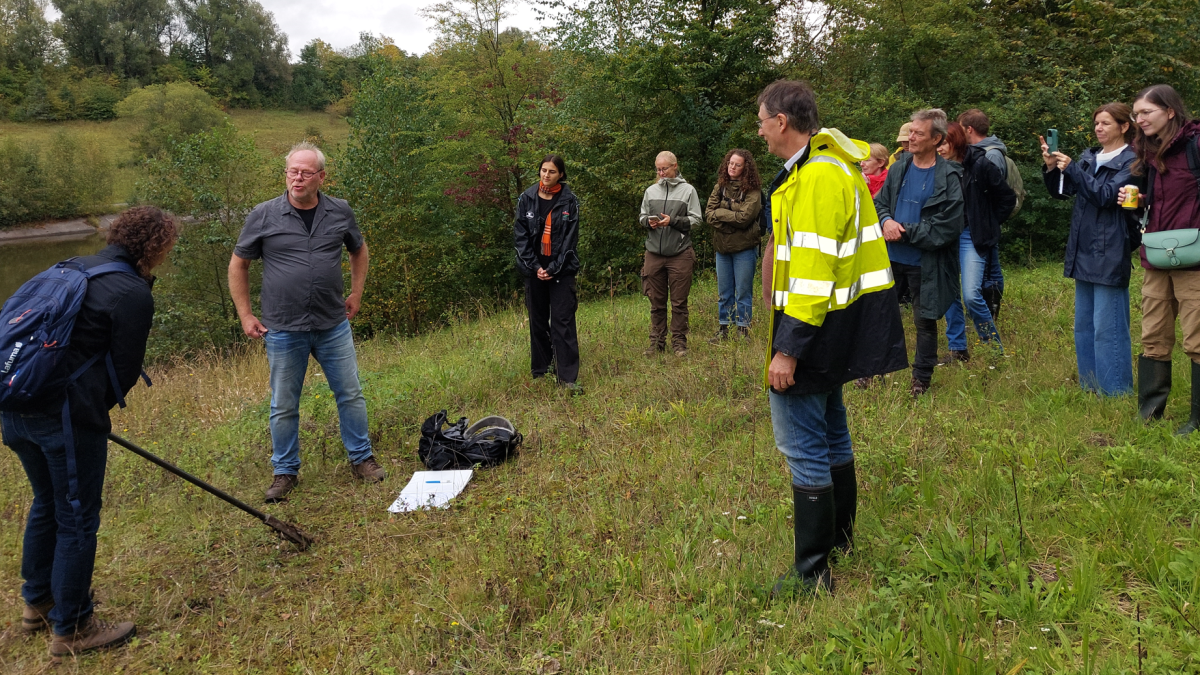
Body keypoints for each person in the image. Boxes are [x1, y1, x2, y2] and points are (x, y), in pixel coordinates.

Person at [2, 207, 177, 656]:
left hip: (14, 407)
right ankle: (73, 628)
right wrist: (88, 417)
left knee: (48, 502)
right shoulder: (131, 291)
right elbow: (124, 371)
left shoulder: (69, 268)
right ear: (156, 247)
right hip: (63, 419)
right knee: (77, 517)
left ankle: (38, 602)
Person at [757, 79, 907, 595]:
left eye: (761, 120)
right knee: (833, 432)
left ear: (782, 122)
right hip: (838, 321)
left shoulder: (818, 177)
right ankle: (841, 541)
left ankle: (813, 571)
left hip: (814, 325)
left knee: (803, 444)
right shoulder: (831, 166)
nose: (758, 131)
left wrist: (787, 349)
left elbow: (815, 271)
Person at [229, 141, 385, 502]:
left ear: (321, 176)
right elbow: (239, 264)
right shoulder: (264, 215)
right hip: (283, 328)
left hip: (332, 324)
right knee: (284, 404)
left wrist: (356, 293)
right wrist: (246, 314)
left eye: (305, 172)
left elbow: (358, 249)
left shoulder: (340, 212)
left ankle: (362, 460)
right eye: (292, 171)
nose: (297, 178)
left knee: (350, 393)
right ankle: (285, 472)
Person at [1119, 84, 1200, 433]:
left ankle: (1197, 420)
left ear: (1169, 111)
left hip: (1195, 256)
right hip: (1156, 254)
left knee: (1197, 338)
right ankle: (1149, 413)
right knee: (1153, 334)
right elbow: (1157, 200)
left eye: (1145, 112)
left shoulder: (1196, 144)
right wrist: (1137, 200)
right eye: (1137, 113)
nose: (1139, 119)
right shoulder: (1147, 151)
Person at [1042, 103, 1137, 397]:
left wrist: (1071, 168)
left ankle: (1117, 391)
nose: (1099, 128)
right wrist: (1051, 167)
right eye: (1096, 123)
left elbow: (1106, 196)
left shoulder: (1133, 160)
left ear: (1124, 127)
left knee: (1108, 327)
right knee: (1084, 326)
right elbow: (1062, 192)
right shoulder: (1089, 157)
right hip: (1082, 246)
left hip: (1110, 248)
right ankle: (1091, 387)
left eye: (1106, 123)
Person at [874, 109, 966, 397]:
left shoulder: (950, 175)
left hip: (925, 262)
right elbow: (879, 204)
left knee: (924, 321)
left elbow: (948, 225)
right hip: (890, 257)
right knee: (881, 316)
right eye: (910, 131)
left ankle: (921, 379)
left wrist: (904, 230)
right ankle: (876, 369)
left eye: (917, 133)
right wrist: (886, 221)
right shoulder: (899, 168)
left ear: (936, 139)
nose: (910, 137)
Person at [938, 121, 1016, 361]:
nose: (939, 147)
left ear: (957, 141)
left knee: (971, 294)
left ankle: (994, 349)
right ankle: (958, 349)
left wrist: (988, 224)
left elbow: (1006, 198)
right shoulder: (935, 167)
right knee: (949, 295)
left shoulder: (981, 164)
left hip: (970, 236)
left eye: (944, 142)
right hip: (944, 236)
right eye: (937, 142)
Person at [514, 154, 582, 393]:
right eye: (543, 170)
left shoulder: (569, 201)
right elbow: (520, 239)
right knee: (538, 320)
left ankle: (567, 378)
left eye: (552, 171)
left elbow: (569, 242)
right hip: (534, 270)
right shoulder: (526, 198)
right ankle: (542, 369)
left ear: (561, 175)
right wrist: (536, 267)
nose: (546, 175)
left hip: (561, 270)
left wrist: (553, 268)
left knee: (563, 322)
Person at [640, 151, 703, 357]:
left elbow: (697, 220)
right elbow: (641, 216)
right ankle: (657, 342)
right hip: (654, 253)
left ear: (675, 166)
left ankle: (679, 343)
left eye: (665, 168)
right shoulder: (650, 191)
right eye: (658, 169)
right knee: (656, 302)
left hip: (680, 253)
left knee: (678, 302)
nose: (661, 173)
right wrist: (647, 222)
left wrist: (673, 221)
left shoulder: (688, 191)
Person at [705, 148, 764, 341]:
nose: (733, 167)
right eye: (731, 163)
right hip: (722, 248)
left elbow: (745, 219)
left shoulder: (753, 190)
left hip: (744, 249)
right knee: (724, 292)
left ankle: (743, 330)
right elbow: (709, 214)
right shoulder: (720, 186)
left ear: (745, 168)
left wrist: (722, 211)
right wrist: (731, 216)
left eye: (737, 165)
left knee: (743, 291)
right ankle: (724, 329)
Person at [959, 109, 1010, 320]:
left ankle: (991, 310)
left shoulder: (990, 154)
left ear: (969, 129)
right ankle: (985, 309)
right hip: (978, 223)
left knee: (990, 268)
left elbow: (998, 194)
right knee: (989, 265)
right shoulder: (974, 152)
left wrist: (988, 221)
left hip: (984, 224)